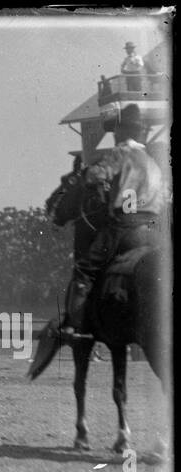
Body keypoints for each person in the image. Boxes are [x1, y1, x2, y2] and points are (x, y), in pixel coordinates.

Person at [60, 104, 166, 341]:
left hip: (124, 227)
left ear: (121, 132)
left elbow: (94, 175)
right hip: (153, 229)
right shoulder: (153, 161)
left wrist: (95, 180)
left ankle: (73, 327)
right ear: (143, 133)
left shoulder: (120, 153)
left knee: (84, 271)